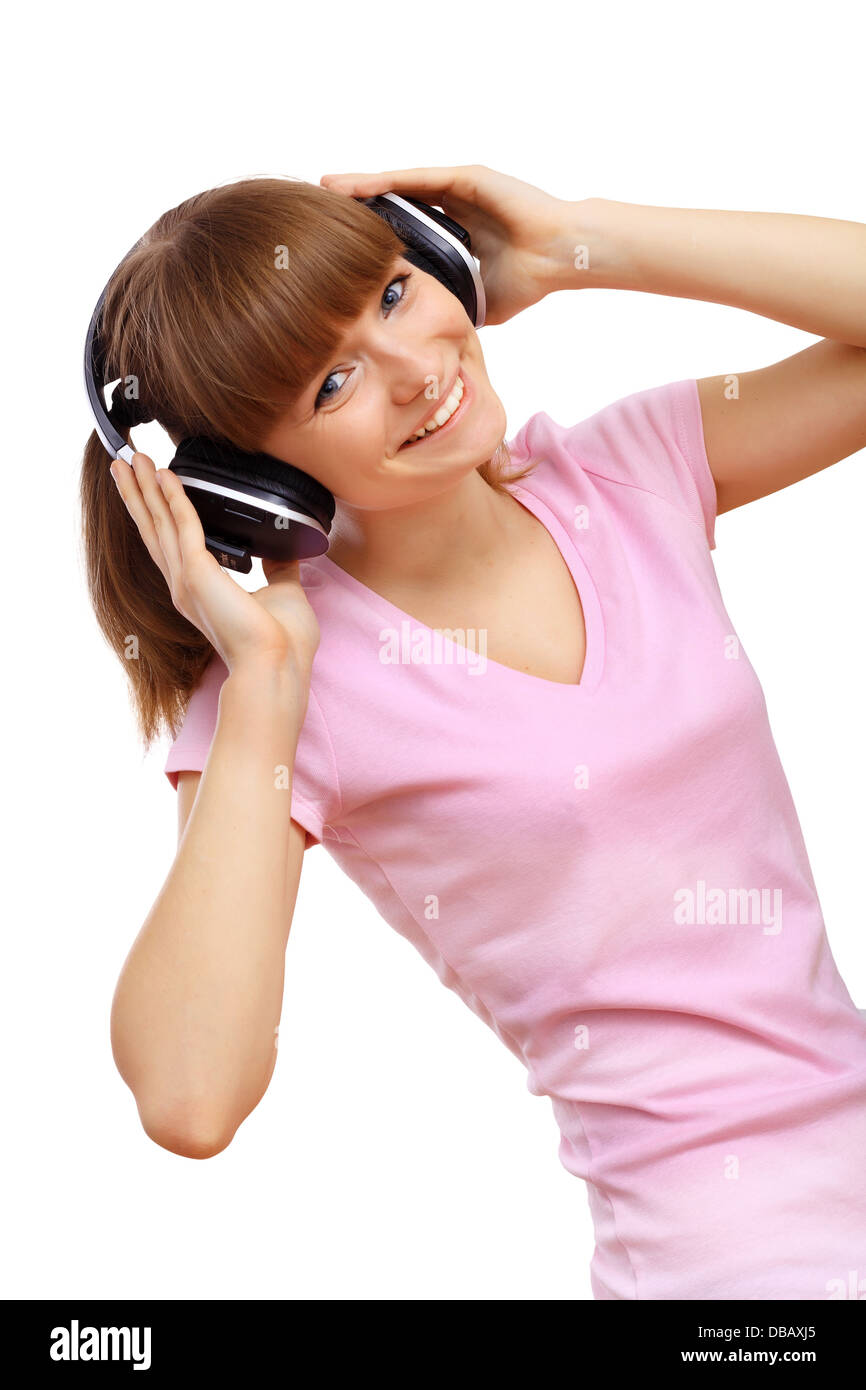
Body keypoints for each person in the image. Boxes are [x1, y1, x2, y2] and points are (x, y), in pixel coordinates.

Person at [80, 166, 866, 1301]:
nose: (414, 371)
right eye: (333, 383)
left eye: (394, 296)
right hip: (732, 1270)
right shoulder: (292, 686)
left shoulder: (625, 473)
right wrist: (261, 688)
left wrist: (575, 244)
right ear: (253, 482)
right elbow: (189, 1097)